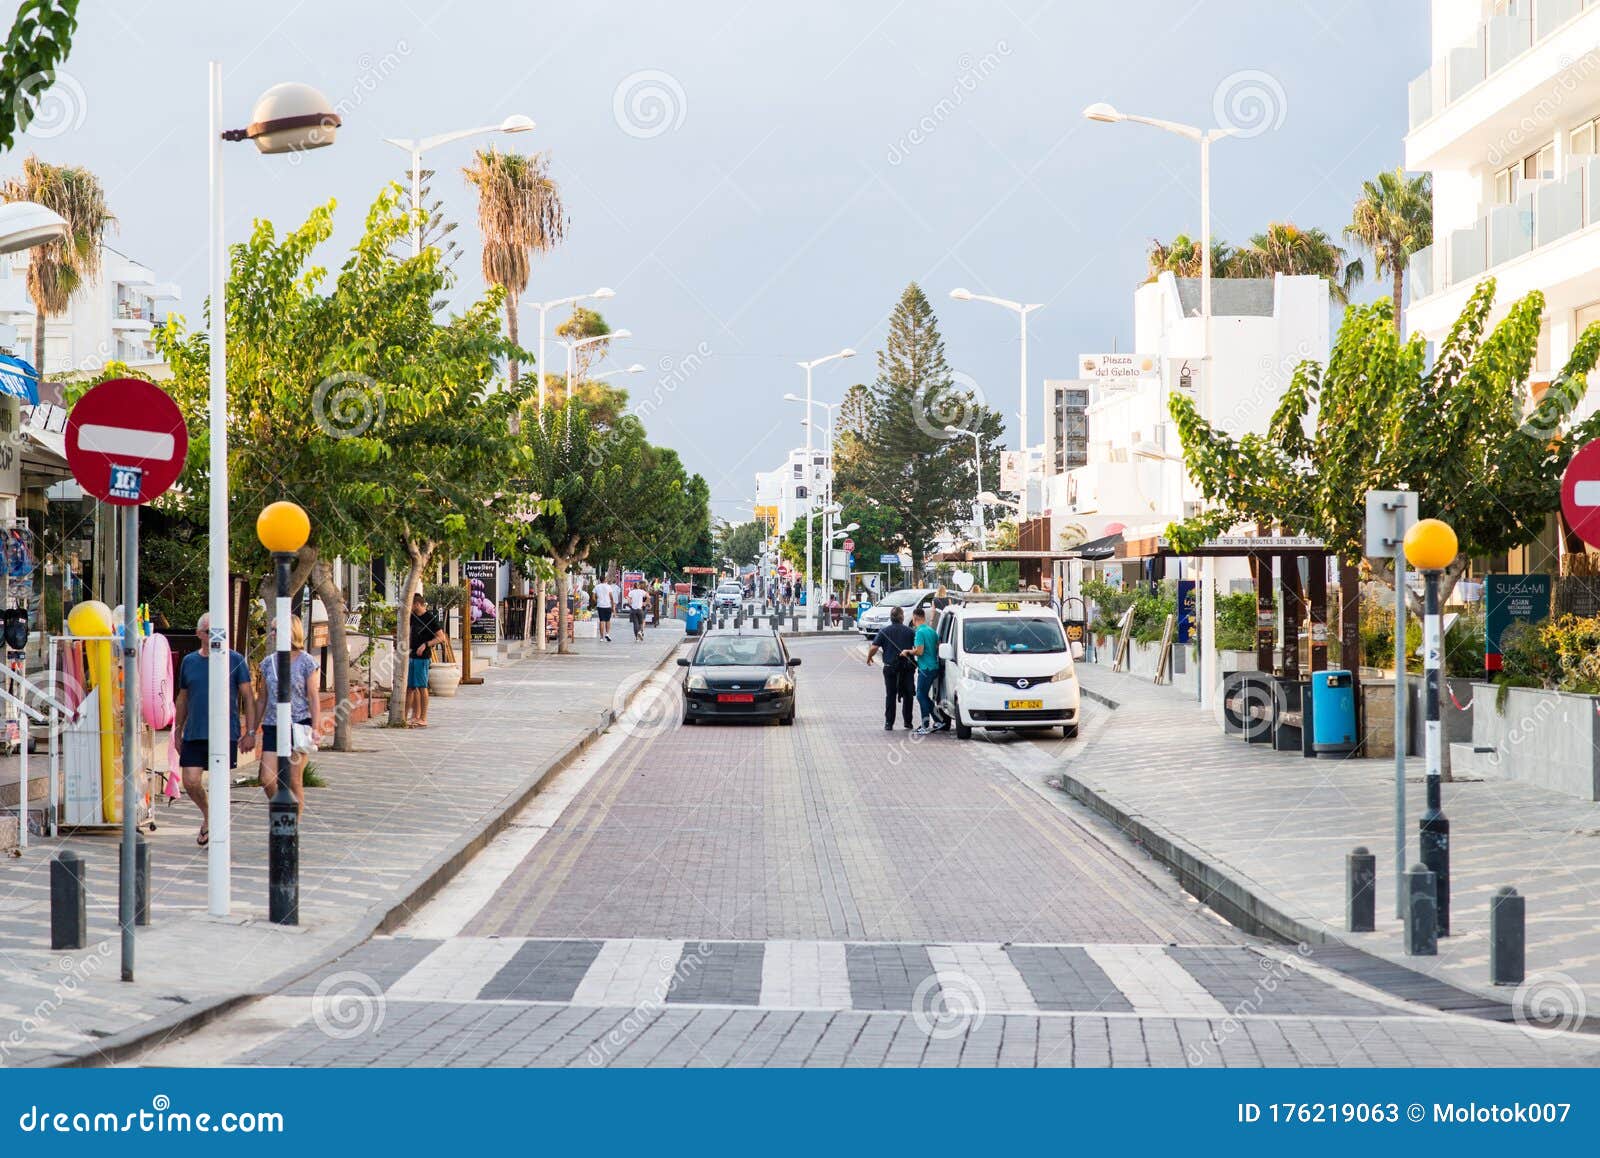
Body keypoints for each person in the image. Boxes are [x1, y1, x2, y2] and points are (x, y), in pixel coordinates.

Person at [172, 614, 255, 848]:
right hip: (195, 730)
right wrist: (177, 729)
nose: (214, 637)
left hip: (224, 731)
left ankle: (217, 828)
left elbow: (248, 696)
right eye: (209, 632)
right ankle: (208, 815)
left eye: (219, 632)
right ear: (199, 634)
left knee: (219, 782)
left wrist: (250, 731)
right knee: (190, 780)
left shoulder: (235, 659)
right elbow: (183, 697)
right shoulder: (189, 661)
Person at [249, 615, 324, 819]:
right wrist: (251, 730)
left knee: (293, 779)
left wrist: (315, 727)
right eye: (271, 630)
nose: (272, 634)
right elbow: (262, 698)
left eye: (276, 629)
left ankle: (293, 828)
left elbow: (313, 696)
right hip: (273, 725)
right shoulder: (268, 663)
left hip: (298, 724)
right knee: (267, 779)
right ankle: (284, 811)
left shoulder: (307, 661)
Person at [866, 606, 916, 731]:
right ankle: (908, 722)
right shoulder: (910, 631)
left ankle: (889, 723)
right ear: (902, 617)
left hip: (890, 668)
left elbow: (874, 647)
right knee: (909, 694)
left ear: (891, 618)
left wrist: (869, 657)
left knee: (890, 694)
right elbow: (917, 648)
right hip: (907, 667)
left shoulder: (884, 631)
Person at [407, 592, 447, 728]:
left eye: (411, 604)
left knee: (422, 686)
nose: (409, 606)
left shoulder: (430, 618)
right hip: (412, 655)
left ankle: (423, 717)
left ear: (417, 604)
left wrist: (426, 644)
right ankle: (414, 716)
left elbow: (441, 637)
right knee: (412, 687)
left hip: (423, 657)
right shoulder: (412, 617)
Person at [904, 607, 947, 735]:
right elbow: (936, 647)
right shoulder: (931, 631)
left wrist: (907, 651)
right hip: (934, 667)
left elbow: (920, 651)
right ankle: (938, 720)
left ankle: (925, 724)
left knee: (921, 695)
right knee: (924, 696)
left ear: (915, 618)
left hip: (925, 668)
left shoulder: (919, 632)